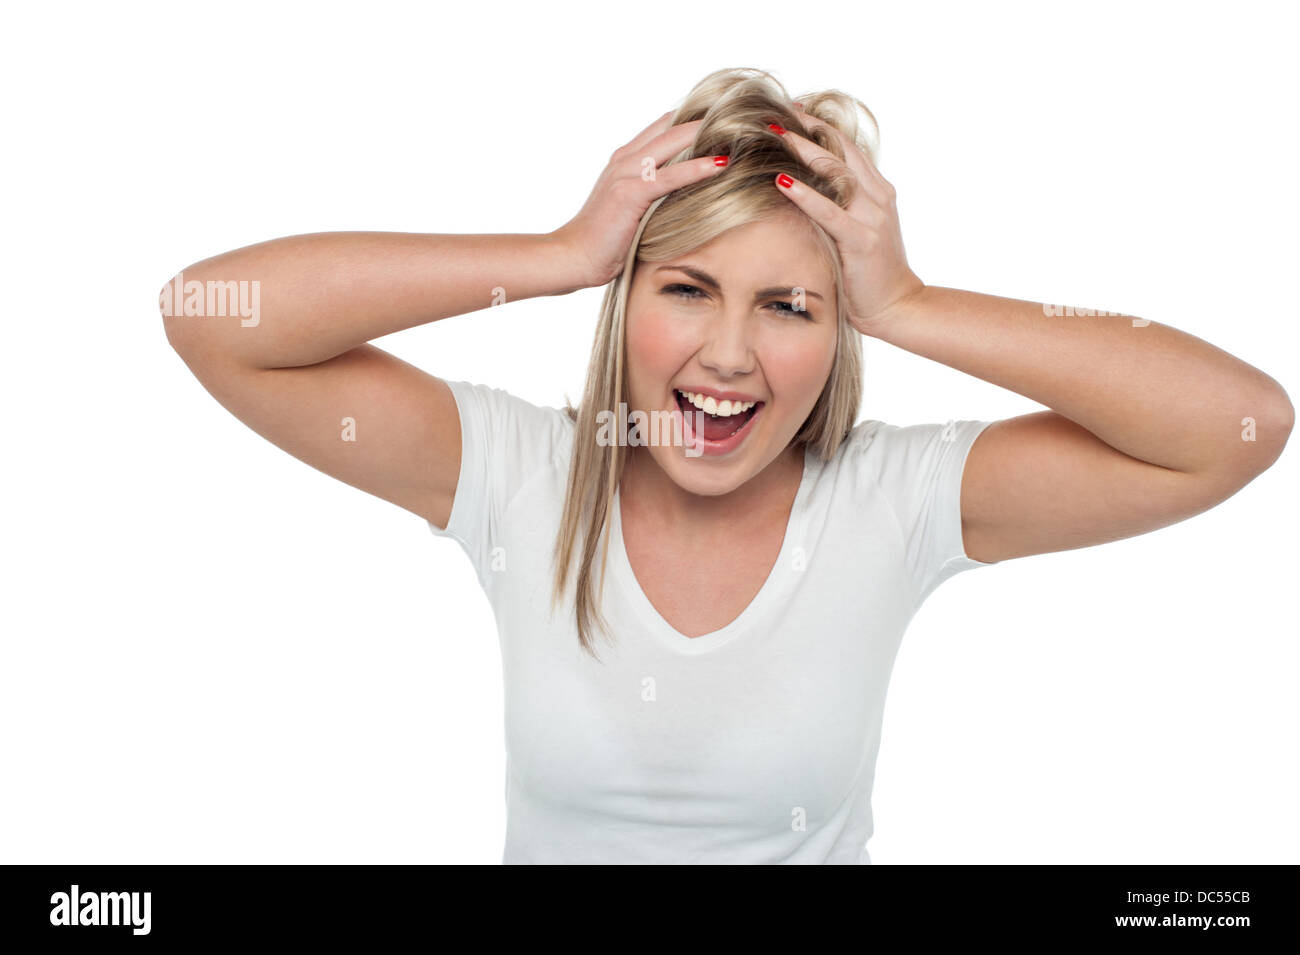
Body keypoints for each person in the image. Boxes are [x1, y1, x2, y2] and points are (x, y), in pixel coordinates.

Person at [160, 67, 1293, 864]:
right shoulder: (521, 474)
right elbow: (213, 317)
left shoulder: (888, 501)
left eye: (791, 306)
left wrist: (908, 302)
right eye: (686, 289)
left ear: (837, 330)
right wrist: (558, 254)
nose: (729, 356)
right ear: (627, 300)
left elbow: (1235, 425)